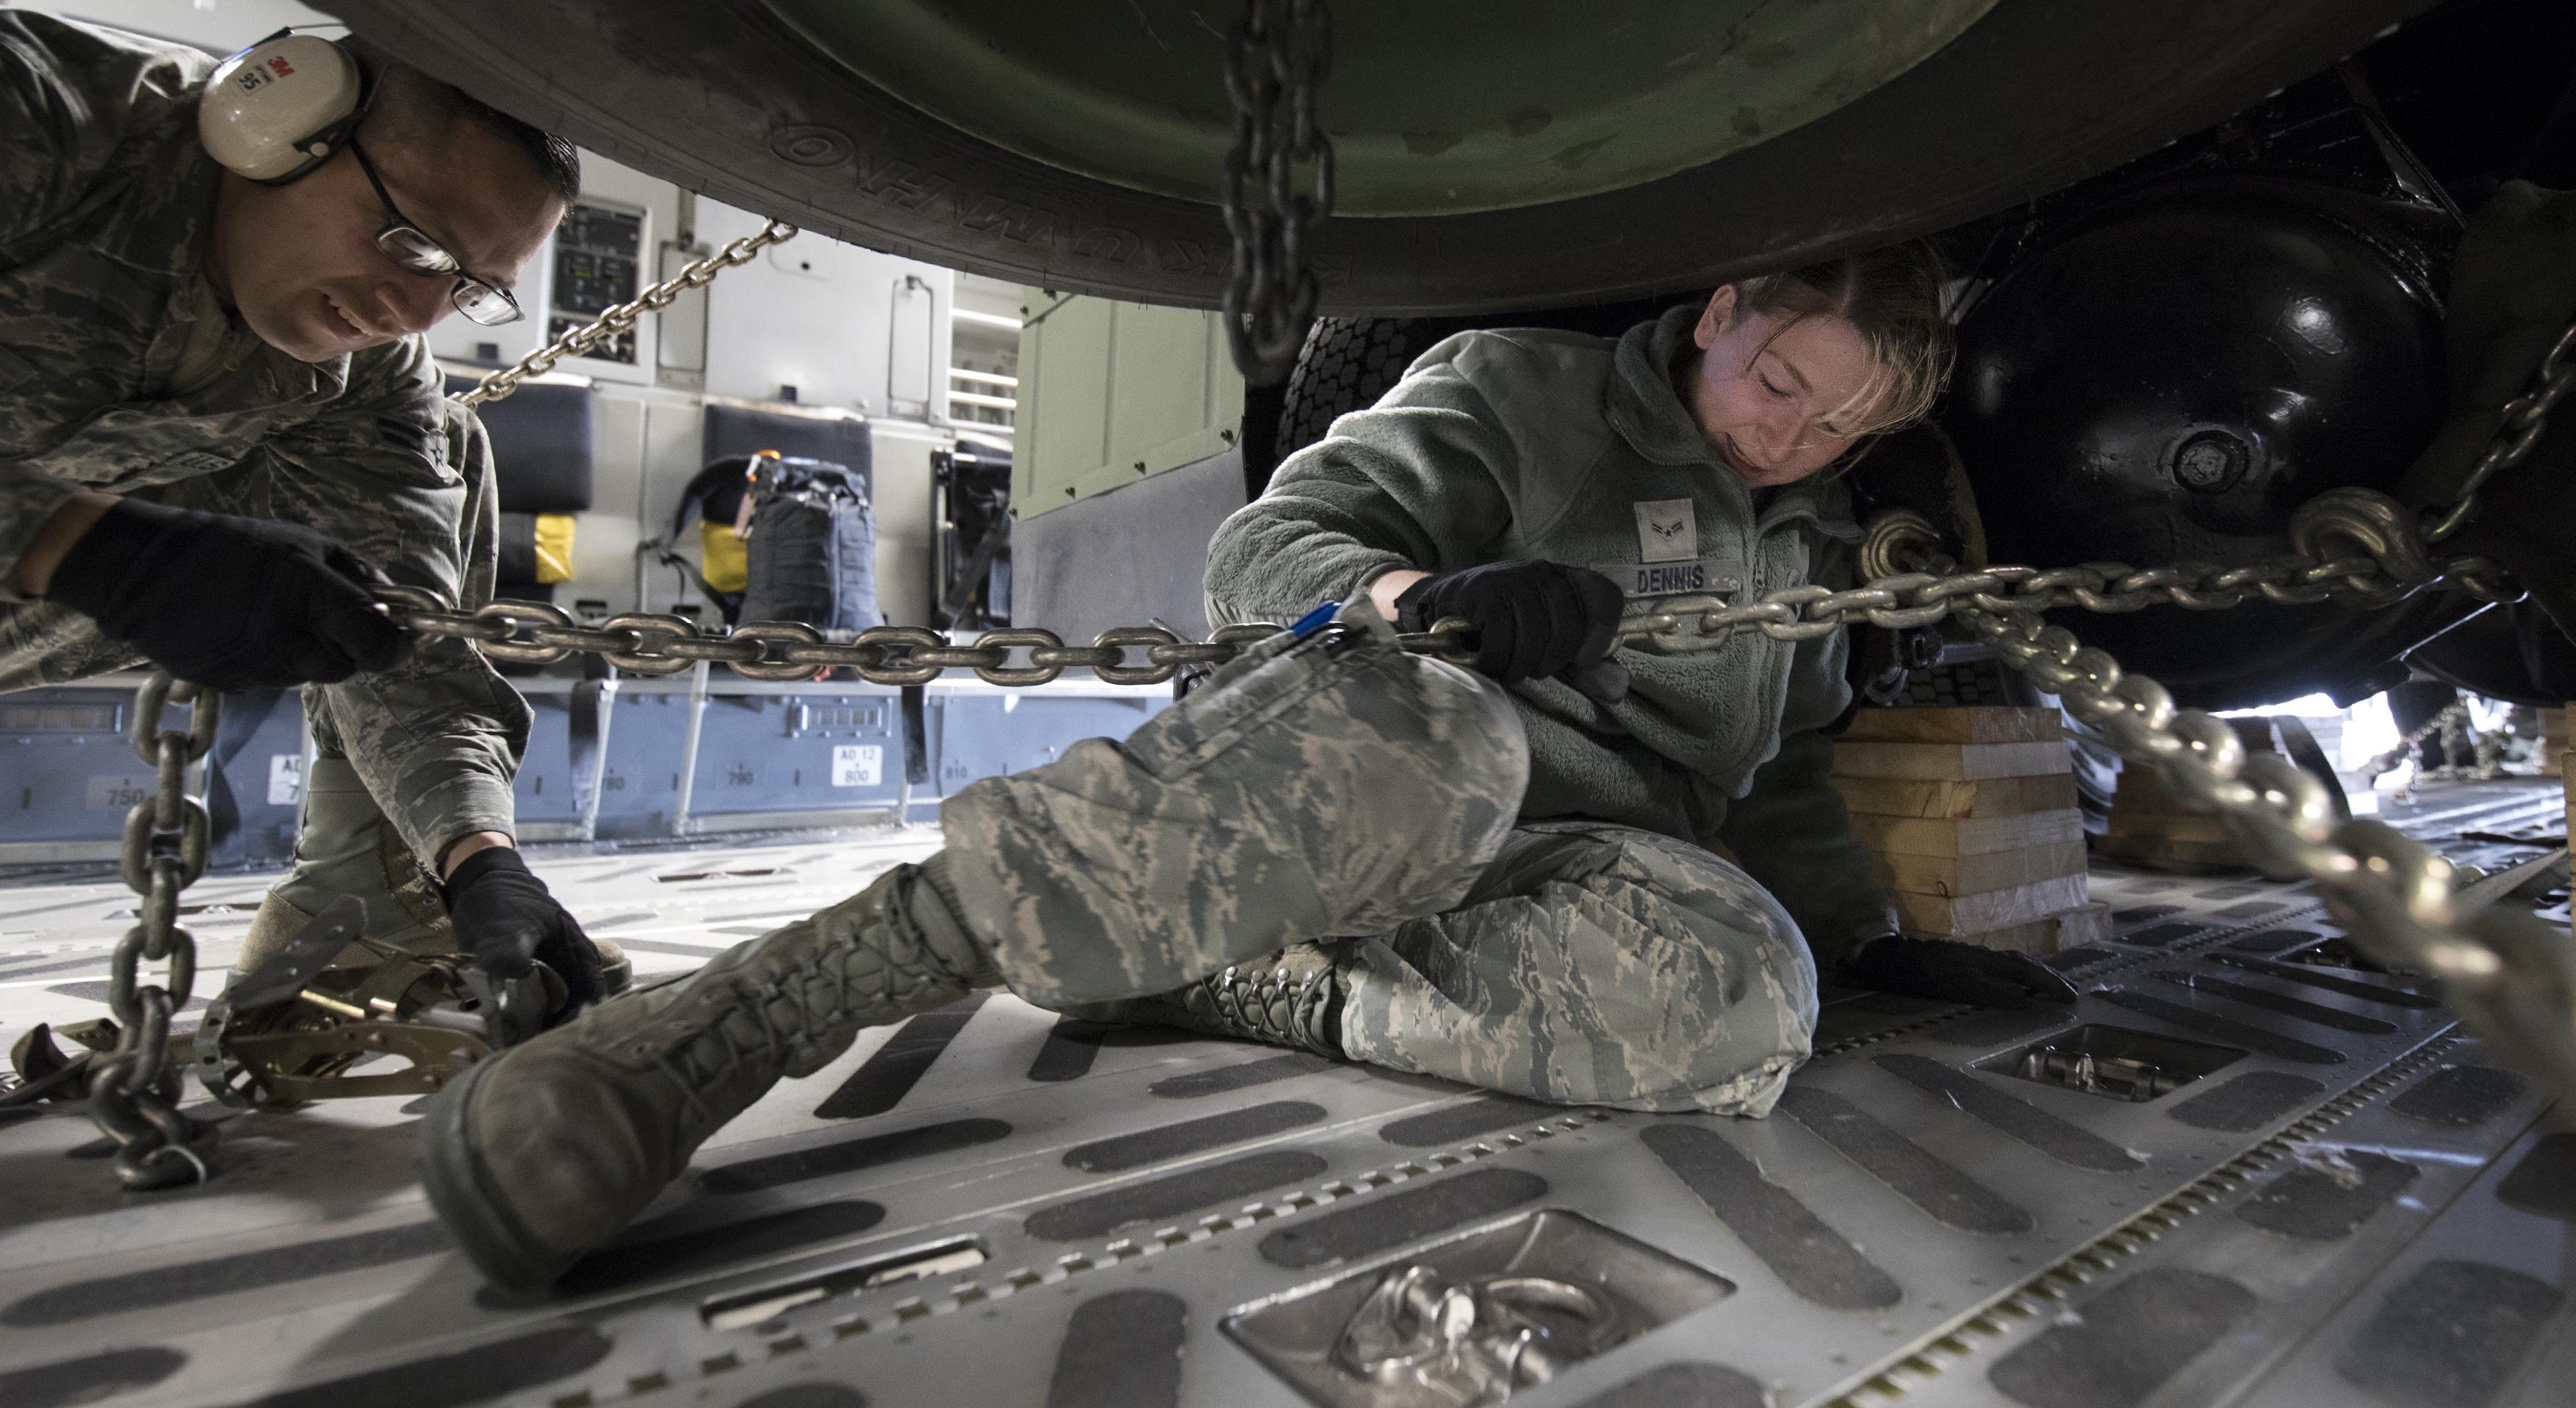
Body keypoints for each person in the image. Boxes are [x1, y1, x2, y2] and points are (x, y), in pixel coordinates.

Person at [419, 246, 2073, 1293]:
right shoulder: (1524, 392)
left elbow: (1777, 775)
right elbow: (1262, 548)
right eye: (1781, 385)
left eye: (1835, 432)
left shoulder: (1809, 540)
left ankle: (1247, 974)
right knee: (1447, 737)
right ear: (1722, 313)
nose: (1790, 440)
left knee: (1742, 1006)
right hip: (1385, 769)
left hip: (1563, 870)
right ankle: (706, 1042)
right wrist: (1425, 604)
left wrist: (1859, 938)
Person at [0, 9, 620, 1008]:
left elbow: (403, 634)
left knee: (435, 456)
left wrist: (475, 856)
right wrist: (86, 546)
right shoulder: (41, 123)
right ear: (278, 119)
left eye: (464, 289)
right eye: (412, 244)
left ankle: (370, 897)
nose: (414, 313)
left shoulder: (366, 375)